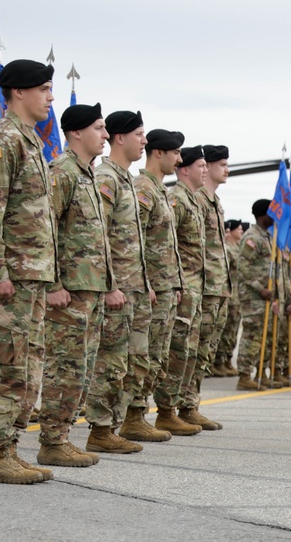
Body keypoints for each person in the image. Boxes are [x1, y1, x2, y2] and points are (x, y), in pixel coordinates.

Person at [0, 59, 57, 483]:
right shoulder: (3, 140)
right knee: (4, 365)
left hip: (31, 275)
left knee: (26, 365)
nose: (50, 98)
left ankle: (10, 447)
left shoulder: (31, 141)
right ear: (19, 92)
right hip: (10, 277)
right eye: (43, 89)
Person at [36, 103, 115, 466]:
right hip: (69, 291)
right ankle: (52, 441)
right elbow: (45, 228)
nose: (105, 135)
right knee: (65, 366)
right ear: (76, 132)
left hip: (91, 288)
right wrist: (53, 283)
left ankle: (62, 436)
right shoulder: (62, 173)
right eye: (99, 128)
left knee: (81, 367)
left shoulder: (88, 176)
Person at [87, 110, 161, 449]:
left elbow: (133, 240)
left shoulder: (127, 179)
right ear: (120, 138)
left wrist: (145, 283)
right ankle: (101, 430)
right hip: (116, 288)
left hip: (134, 287)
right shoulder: (106, 178)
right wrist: (109, 284)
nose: (144, 141)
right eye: (139, 135)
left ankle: (122, 422)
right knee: (111, 361)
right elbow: (97, 234)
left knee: (134, 360)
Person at [133, 129, 193, 436]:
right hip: (152, 289)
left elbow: (168, 245)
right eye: (176, 153)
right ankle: (132, 417)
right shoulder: (143, 189)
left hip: (166, 287)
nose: (179, 160)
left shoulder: (160, 190)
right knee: (144, 355)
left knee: (157, 356)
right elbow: (135, 240)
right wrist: (146, 283)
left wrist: (177, 282)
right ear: (159, 153)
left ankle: (143, 415)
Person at [153, 146, 208, 430]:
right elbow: (164, 243)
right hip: (180, 286)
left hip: (192, 287)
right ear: (184, 169)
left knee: (189, 350)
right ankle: (166, 410)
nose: (206, 170)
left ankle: (183, 405)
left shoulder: (193, 200)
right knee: (175, 350)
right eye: (201, 165)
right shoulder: (177, 199)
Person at [184, 144, 231, 429]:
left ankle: (191, 404)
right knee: (193, 349)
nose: (227, 170)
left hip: (217, 287)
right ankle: (183, 405)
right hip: (202, 287)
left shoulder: (215, 201)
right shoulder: (198, 200)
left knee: (205, 351)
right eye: (221, 165)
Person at [236, 199, 277, 391]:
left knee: (263, 336)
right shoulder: (252, 237)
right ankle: (244, 375)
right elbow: (243, 266)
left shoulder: (266, 236)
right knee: (251, 335)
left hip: (264, 297)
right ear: (263, 214)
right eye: (271, 212)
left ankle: (260, 372)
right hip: (253, 296)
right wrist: (260, 288)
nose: (274, 216)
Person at [211, 220, 244, 376]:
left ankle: (226, 360)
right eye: (239, 229)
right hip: (229, 295)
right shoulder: (228, 250)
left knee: (232, 331)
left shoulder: (236, 249)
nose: (241, 231)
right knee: (225, 330)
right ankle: (218, 361)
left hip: (237, 295)